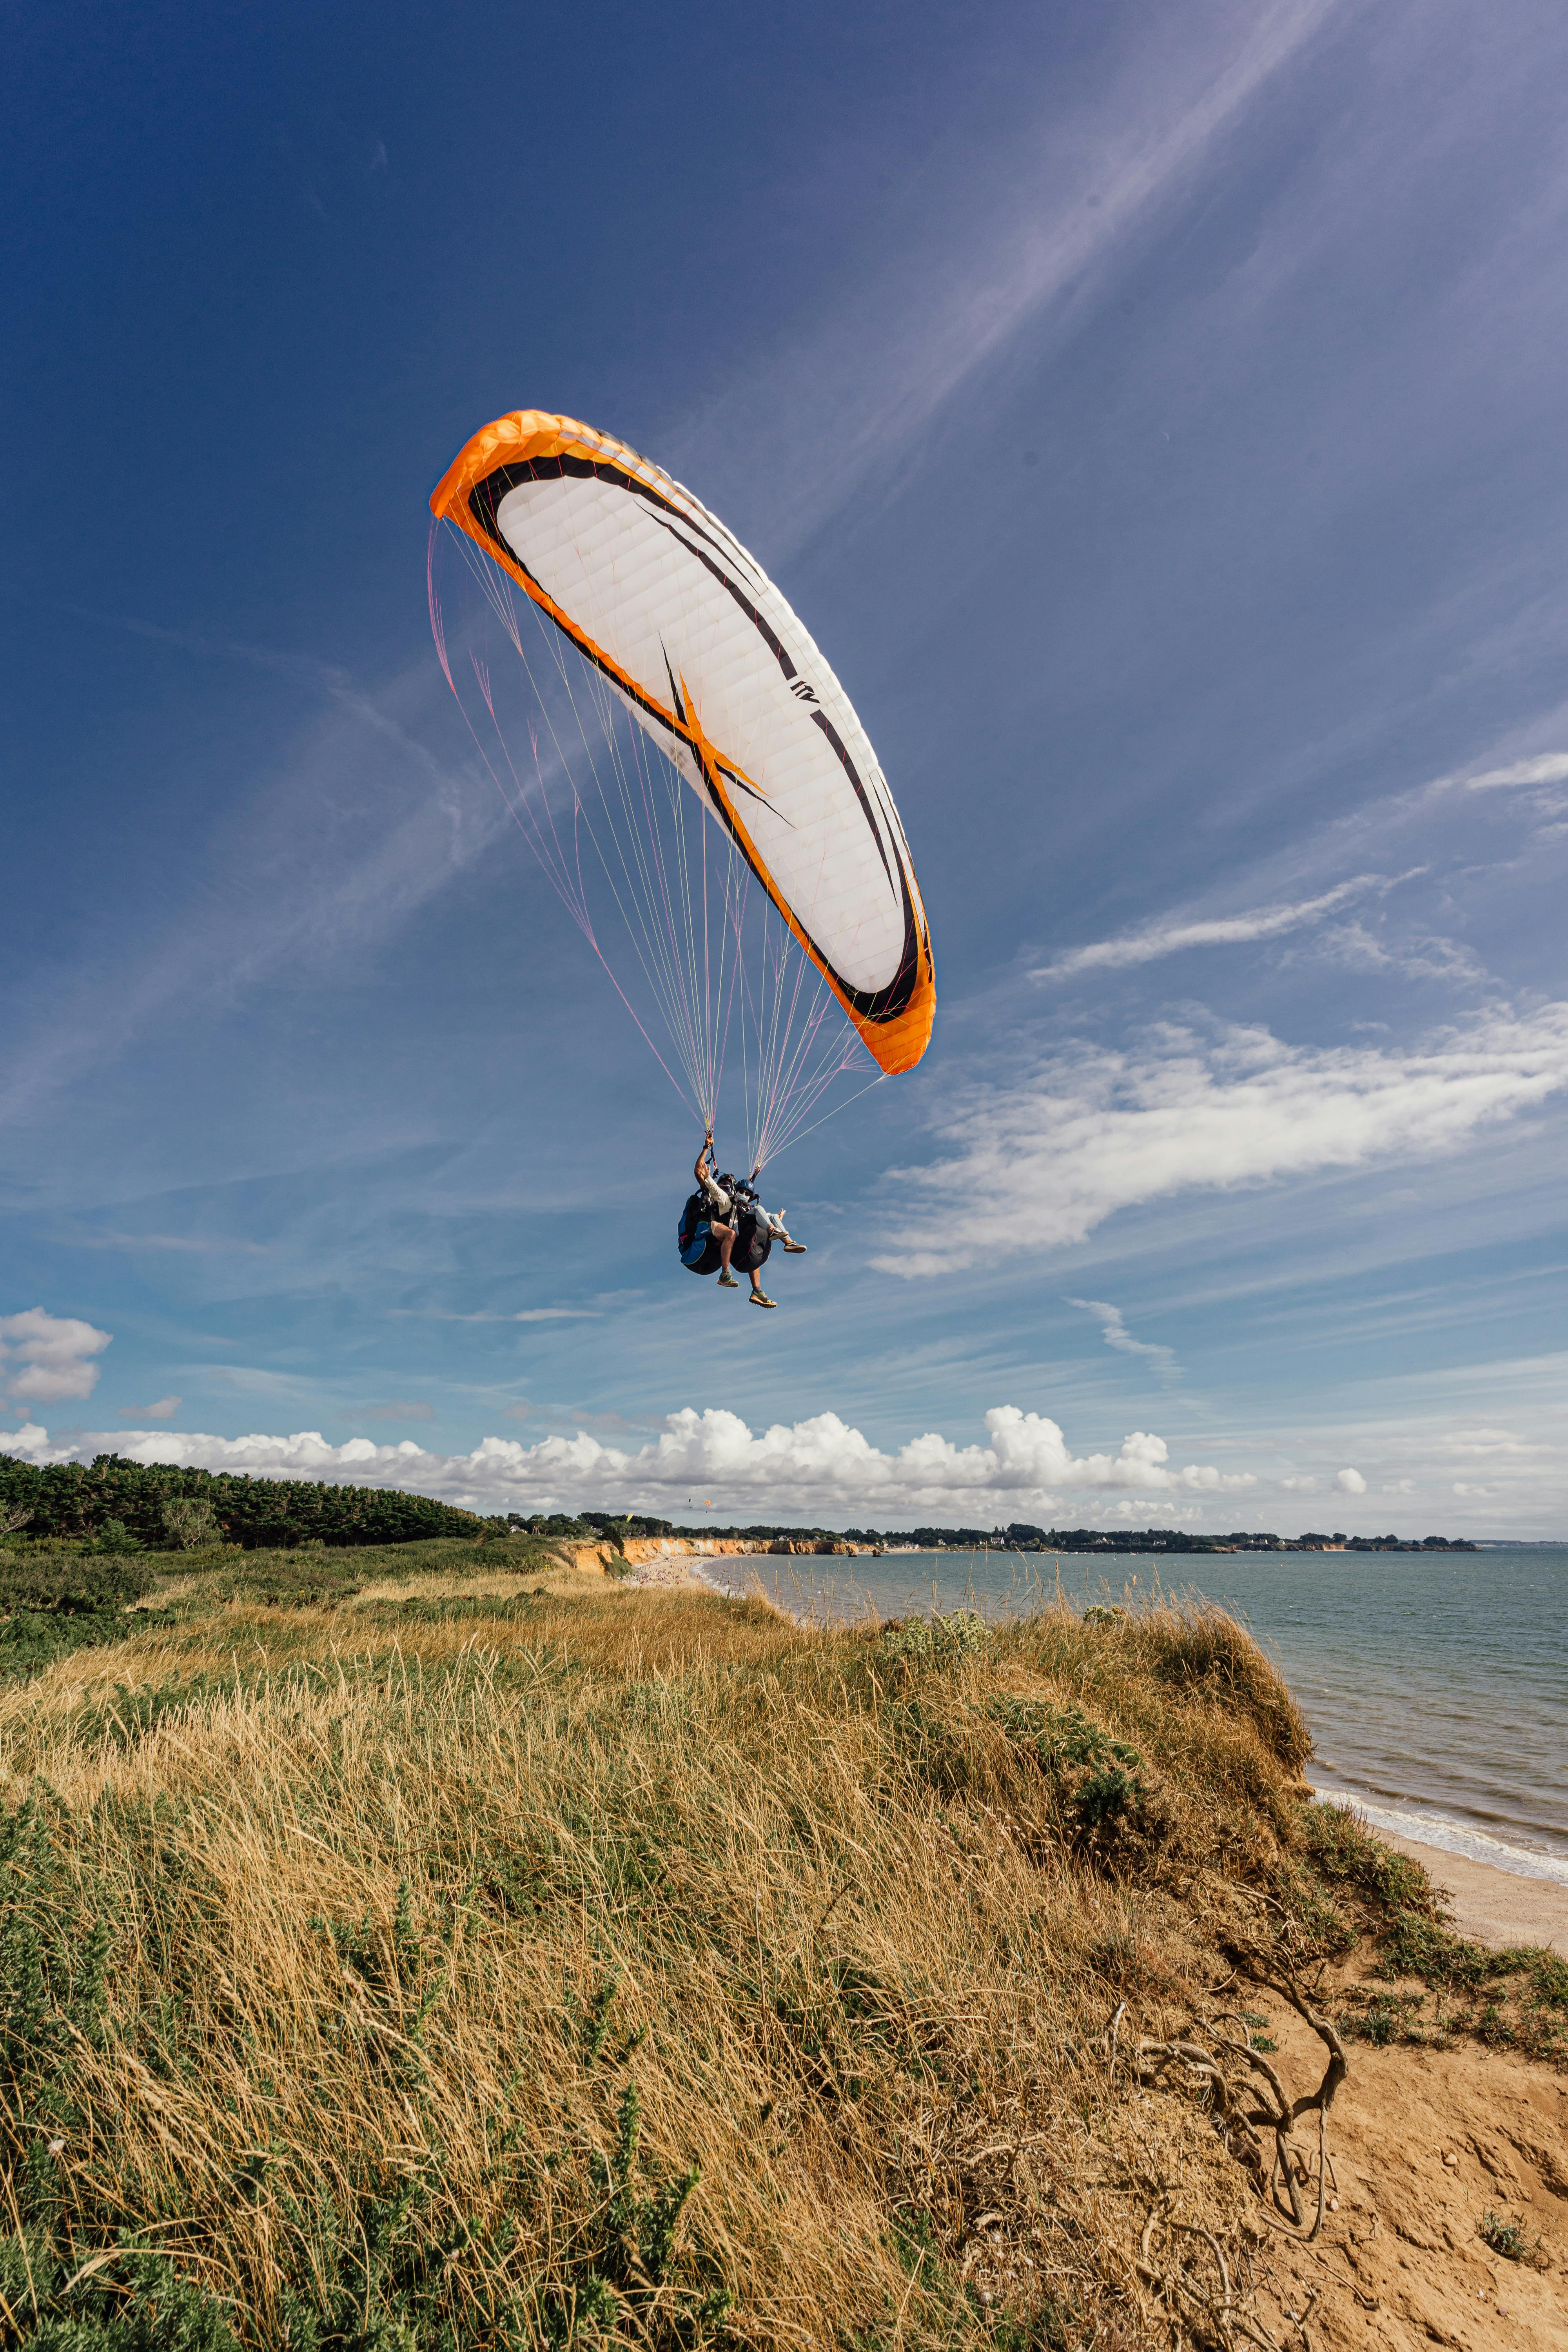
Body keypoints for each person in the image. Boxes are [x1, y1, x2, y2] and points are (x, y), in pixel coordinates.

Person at [682, 1134, 806, 1307]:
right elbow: (705, 1179)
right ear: (735, 1190)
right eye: (742, 1192)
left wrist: (777, 1219)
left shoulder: (744, 1208)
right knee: (745, 1223)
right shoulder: (725, 1199)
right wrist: (706, 1150)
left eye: (748, 1195)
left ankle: (785, 1249)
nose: (745, 1196)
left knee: (754, 1240)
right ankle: (725, 1274)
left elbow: (761, 1216)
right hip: (715, 1229)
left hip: (738, 1235)